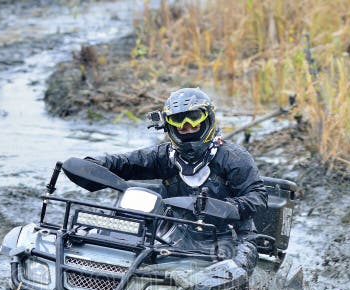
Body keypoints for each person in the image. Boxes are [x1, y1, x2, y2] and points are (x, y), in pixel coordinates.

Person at [87, 87, 267, 271]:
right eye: (179, 122)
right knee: (121, 243)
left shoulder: (234, 157)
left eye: (193, 120)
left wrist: (225, 207)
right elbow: (126, 162)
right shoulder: (164, 155)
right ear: (169, 125)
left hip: (230, 236)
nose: (186, 127)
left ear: (207, 119)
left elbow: (258, 197)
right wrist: (96, 164)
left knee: (233, 268)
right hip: (176, 233)